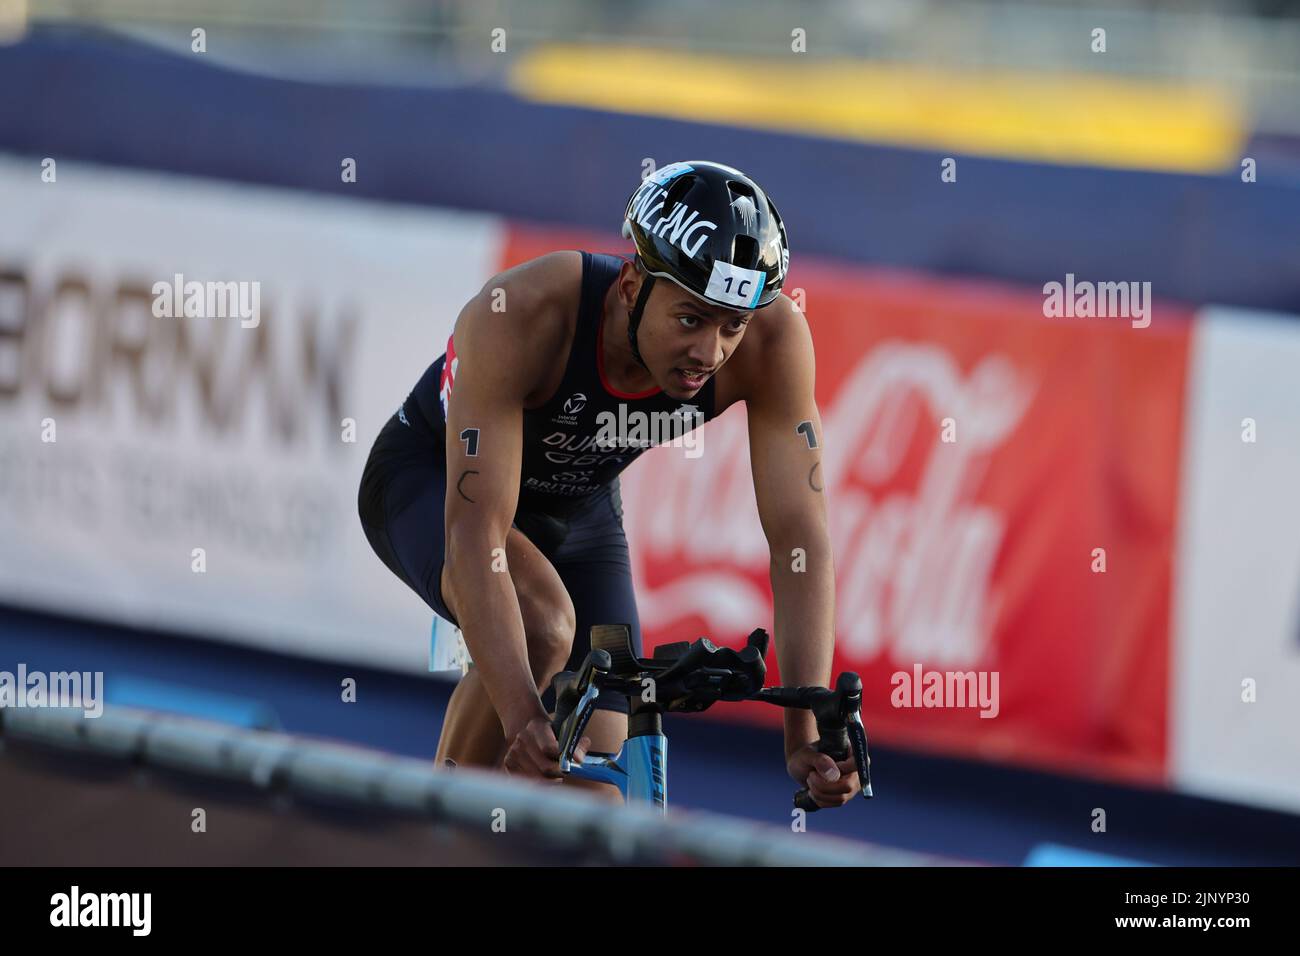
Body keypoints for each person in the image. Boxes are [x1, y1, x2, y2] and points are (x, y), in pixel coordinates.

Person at [358, 160, 859, 807]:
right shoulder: (526, 311)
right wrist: (519, 718)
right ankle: (432, 837)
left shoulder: (772, 342)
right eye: (691, 319)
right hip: (433, 477)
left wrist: (806, 729)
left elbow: (800, 538)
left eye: (730, 325)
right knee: (542, 630)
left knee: (600, 753)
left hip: (581, 503)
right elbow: (475, 529)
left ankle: (488, 824)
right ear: (630, 285)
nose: (710, 352)